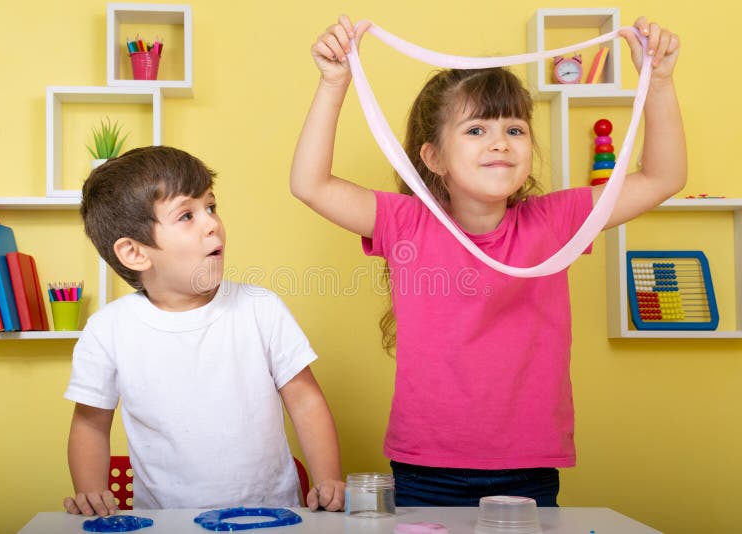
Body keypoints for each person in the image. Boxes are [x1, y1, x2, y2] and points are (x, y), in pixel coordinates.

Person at [291, 15, 684, 506]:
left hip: (528, 468)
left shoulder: (554, 221)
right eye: (477, 129)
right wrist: (334, 82)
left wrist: (659, 82)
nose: (500, 142)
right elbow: (310, 184)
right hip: (425, 469)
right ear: (433, 158)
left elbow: (664, 177)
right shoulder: (406, 222)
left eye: (514, 129)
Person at [63, 146, 345, 516]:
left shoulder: (261, 308)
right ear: (134, 253)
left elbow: (305, 401)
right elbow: (90, 425)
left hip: (270, 518)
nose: (212, 223)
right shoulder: (108, 330)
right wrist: (90, 493)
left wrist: (328, 479)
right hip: (168, 522)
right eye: (186, 215)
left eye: (210, 206)